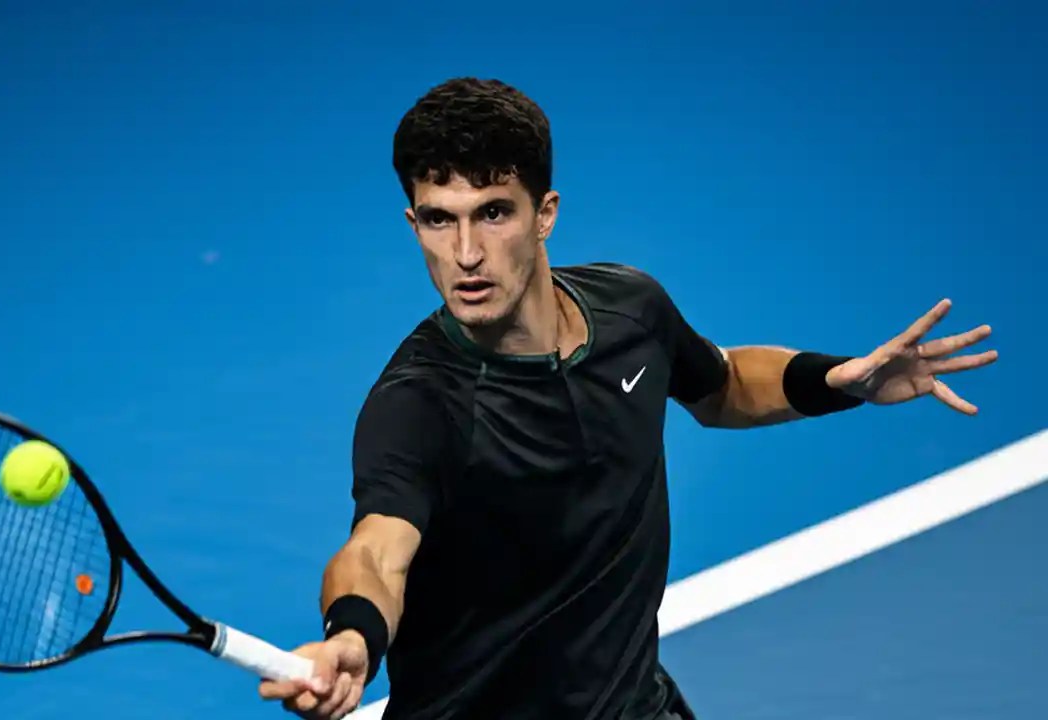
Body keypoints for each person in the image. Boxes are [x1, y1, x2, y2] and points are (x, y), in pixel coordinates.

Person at [258, 77, 998, 720]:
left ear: (545, 213)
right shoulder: (417, 404)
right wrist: (352, 634)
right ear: (414, 224)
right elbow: (377, 551)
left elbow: (723, 383)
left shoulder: (630, 310)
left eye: (493, 212)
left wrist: (839, 381)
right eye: (439, 219)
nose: (467, 254)